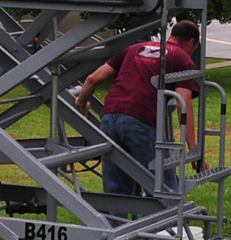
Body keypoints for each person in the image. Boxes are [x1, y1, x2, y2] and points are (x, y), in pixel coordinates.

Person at [76, 20, 202, 197]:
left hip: (109, 117)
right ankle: (166, 224)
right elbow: (183, 102)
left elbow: (92, 79)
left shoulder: (134, 48)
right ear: (191, 42)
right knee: (164, 190)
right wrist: (194, 149)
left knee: (116, 191)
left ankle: (116, 223)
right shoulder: (182, 58)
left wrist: (82, 103)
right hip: (140, 121)